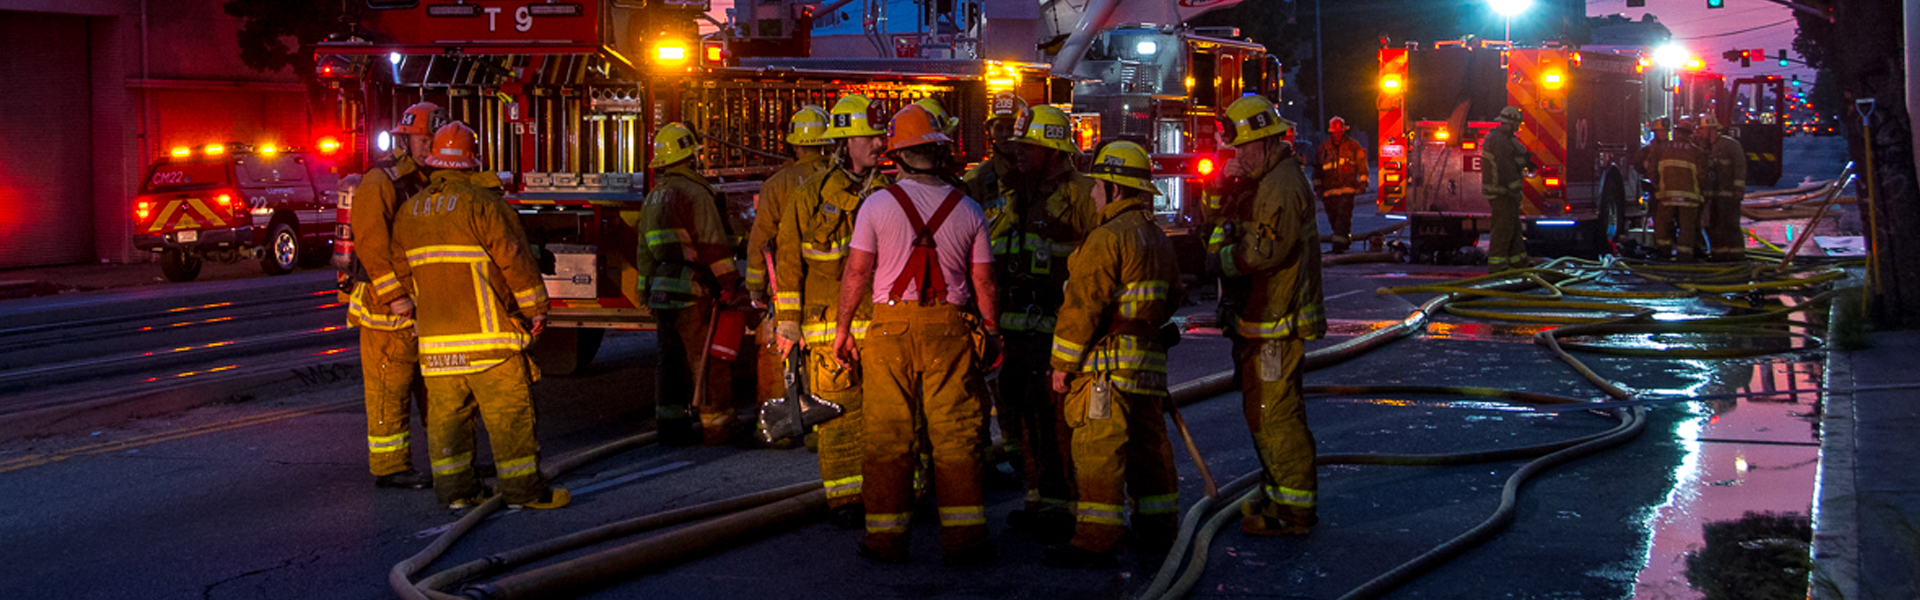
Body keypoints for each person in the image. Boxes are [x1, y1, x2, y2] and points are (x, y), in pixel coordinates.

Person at [833, 104, 1000, 566]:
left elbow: (857, 272)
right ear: (938, 153)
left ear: (898, 155)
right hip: (950, 327)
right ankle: (964, 541)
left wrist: (843, 330)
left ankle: (885, 540)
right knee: (956, 436)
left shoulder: (876, 205)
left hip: (889, 328)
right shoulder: (969, 208)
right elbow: (984, 281)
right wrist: (991, 331)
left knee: (887, 437)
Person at [390, 122, 567, 510]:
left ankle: (456, 493)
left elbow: (402, 272)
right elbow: (514, 260)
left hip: (436, 347)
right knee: (509, 417)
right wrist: (535, 309)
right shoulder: (484, 204)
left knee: (447, 421)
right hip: (491, 341)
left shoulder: (409, 211)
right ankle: (523, 493)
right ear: (472, 162)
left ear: (435, 162)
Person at [1041, 141, 1186, 568]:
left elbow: (1081, 307)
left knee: (1098, 448)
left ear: (1114, 188)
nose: (1091, 193)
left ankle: (1096, 540)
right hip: (1147, 364)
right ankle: (1158, 528)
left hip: (1106, 367)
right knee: (1148, 446)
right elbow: (1174, 296)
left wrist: (1062, 365)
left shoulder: (1106, 237)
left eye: (1097, 185)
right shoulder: (1157, 236)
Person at [775, 95, 894, 527]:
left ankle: (900, 493)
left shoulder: (890, 192)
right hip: (828, 328)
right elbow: (789, 259)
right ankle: (846, 499)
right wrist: (787, 323)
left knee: (892, 416)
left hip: (882, 324)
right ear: (845, 142)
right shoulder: (810, 195)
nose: (880, 144)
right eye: (870, 136)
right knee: (839, 419)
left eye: (881, 135)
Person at [1209, 96, 1326, 536]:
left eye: (1243, 147)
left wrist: (1219, 261)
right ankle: (1278, 492)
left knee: (1276, 416)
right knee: (1263, 411)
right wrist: (1223, 188)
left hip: (1278, 323)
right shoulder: (1265, 180)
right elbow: (1228, 224)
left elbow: (1264, 252)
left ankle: (1292, 511)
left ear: (1265, 141)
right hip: (1263, 321)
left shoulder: (1281, 185)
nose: (1238, 156)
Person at [983, 104, 1098, 542]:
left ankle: (1065, 504)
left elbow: (1101, 262)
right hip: (1018, 326)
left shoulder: (1082, 195)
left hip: (1058, 325)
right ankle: (1037, 497)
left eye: (1028, 146)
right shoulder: (1014, 191)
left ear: (1053, 151)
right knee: (1023, 411)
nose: (1019, 152)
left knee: (1056, 419)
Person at [345, 101, 441, 490]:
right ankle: (390, 467)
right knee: (390, 387)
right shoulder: (381, 181)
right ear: (404, 140)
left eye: (434, 139)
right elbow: (371, 245)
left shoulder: (430, 180)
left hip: (423, 306)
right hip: (387, 311)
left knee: (435, 388)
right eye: (422, 139)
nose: (428, 146)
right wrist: (396, 298)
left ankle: (448, 462)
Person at [637, 122, 743, 446]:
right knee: (705, 362)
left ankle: (671, 429)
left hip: (661, 291)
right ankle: (717, 429)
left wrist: (645, 290)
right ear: (691, 157)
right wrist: (729, 284)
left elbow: (643, 251)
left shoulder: (653, 196)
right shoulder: (696, 193)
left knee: (669, 363)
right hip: (691, 290)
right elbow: (712, 245)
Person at [746, 106, 834, 439]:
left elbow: (761, 239)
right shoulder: (838, 181)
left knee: (777, 353)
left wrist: (755, 287)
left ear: (795, 144)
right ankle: (820, 427)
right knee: (824, 355)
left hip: (785, 286)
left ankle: (774, 429)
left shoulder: (776, 185)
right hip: (828, 286)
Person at [1637, 117, 1704, 262]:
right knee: (1686, 227)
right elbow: (1702, 175)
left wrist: (1657, 186)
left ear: (1676, 132)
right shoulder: (1696, 151)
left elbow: (1652, 170)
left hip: (1666, 195)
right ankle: (1685, 256)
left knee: (1663, 225)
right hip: (1689, 197)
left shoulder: (1663, 149)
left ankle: (1664, 252)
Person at [1483, 105, 1533, 272]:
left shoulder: (1506, 139)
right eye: (1516, 124)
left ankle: (1518, 261)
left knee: (1513, 227)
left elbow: (1513, 161)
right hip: (1501, 192)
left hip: (1505, 192)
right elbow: (1505, 166)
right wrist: (1515, 188)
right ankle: (1497, 265)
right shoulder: (1499, 140)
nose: (1517, 128)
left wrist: (1525, 161)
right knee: (1502, 229)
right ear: (1510, 123)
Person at [1312, 116, 1369, 254]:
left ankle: (1338, 246)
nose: (1338, 134)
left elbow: (1362, 166)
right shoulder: (1323, 149)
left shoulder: (1353, 146)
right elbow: (1317, 170)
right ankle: (1343, 242)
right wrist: (1318, 187)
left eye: (1340, 132)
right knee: (1333, 219)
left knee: (1343, 218)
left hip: (1347, 191)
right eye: (1335, 132)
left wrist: (1363, 183)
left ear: (1344, 131)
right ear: (1331, 132)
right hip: (1329, 192)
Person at [1694, 114, 1747, 262]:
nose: (1700, 132)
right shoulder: (1703, 148)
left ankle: (1736, 256)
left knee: (1730, 226)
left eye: (1702, 129)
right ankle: (1719, 255)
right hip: (1711, 196)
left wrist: (1738, 190)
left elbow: (1740, 167)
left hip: (1729, 195)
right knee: (1713, 226)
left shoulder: (1730, 145)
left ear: (1711, 129)